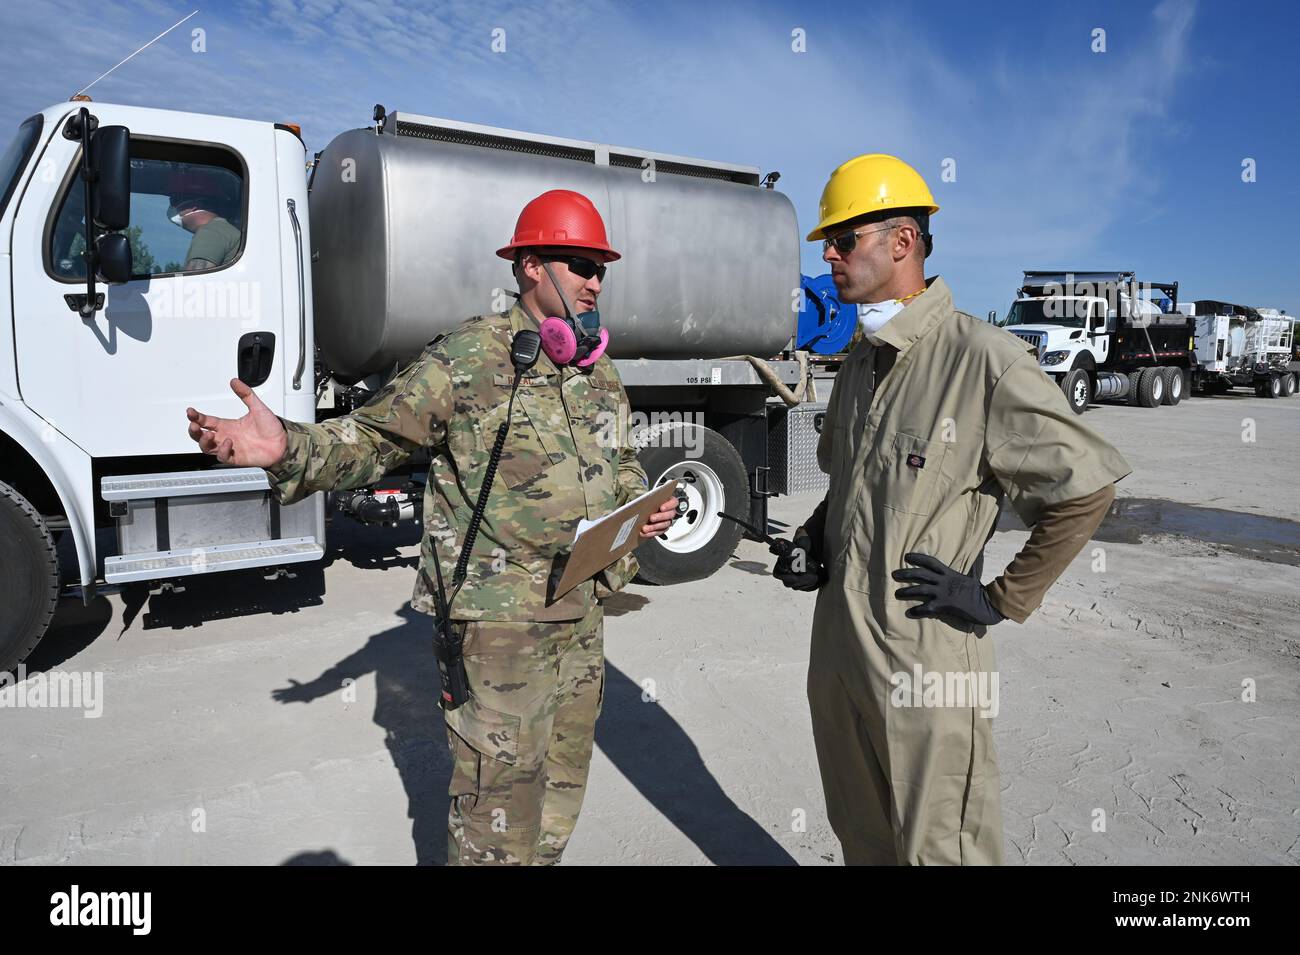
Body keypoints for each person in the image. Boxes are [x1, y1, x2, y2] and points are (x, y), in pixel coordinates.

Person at [184, 189, 678, 865]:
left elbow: (619, 462)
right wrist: (287, 447)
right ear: (532, 266)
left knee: (559, 800)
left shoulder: (597, 371)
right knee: (495, 816)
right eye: (579, 263)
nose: (595, 280)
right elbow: (372, 439)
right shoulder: (467, 357)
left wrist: (638, 508)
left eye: (601, 268)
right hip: (499, 625)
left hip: (583, 619)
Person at [772, 154, 1132, 864]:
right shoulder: (860, 362)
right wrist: (815, 538)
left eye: (844, 239)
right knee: (863, 837)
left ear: (902, 242)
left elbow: (1086, 486)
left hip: (924, 663)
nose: (829, 256)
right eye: (827, 242)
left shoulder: (983, 360)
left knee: (943, 850)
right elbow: (849, 484)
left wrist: (1001, 597)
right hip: (840, 652)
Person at [166, 171, 241, 271]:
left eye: (174, 201)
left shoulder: (210, 232)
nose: (173, 208)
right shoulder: (225, 229)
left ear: (193, 205)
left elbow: (194, 282)